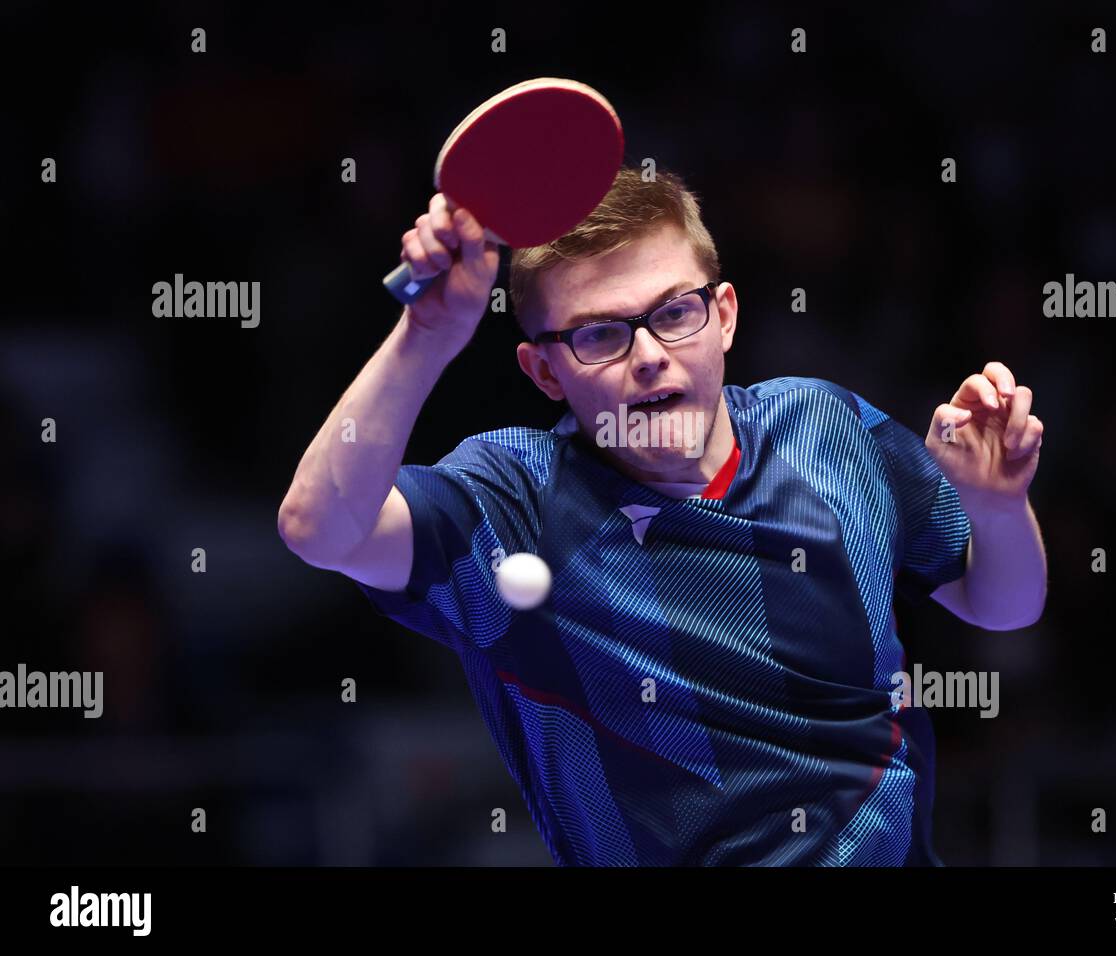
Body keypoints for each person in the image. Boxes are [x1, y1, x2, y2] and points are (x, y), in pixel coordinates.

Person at [277, 167, 1048, 865]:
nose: (648, 354)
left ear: (724, 316)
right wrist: (429, 334)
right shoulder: (512, 502)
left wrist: (998, 506)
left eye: (673, 312)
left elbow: (1004, 604)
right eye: (600, 333)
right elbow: (319, 527)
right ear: (544, 371)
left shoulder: (830, 430)